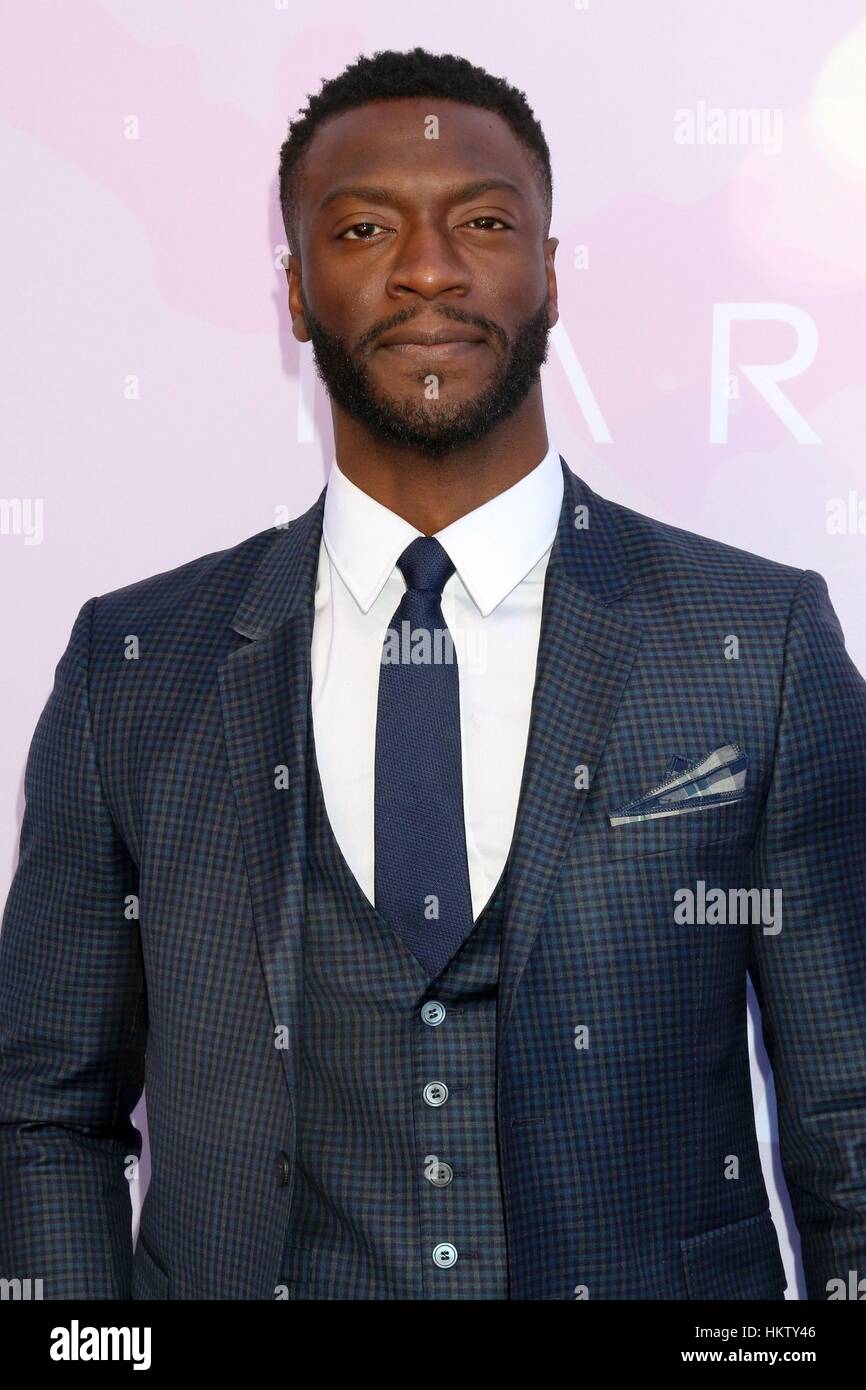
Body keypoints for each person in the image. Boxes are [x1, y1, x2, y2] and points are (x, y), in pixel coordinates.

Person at [1, 46, 864, 1302]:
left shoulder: (758, 640)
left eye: (482, 220)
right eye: (362, 227)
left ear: (550, 275)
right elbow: (44, 1116)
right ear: (295, 293)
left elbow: (852, 1128)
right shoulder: (132, 669)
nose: (427, 265)